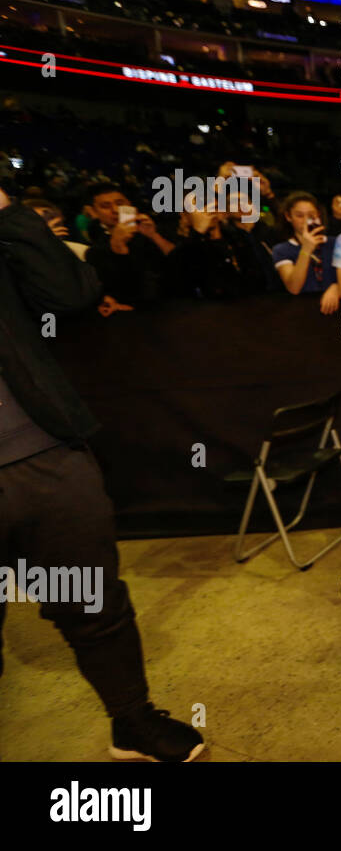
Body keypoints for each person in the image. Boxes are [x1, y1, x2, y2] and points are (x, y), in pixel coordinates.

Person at [0, 186, 205, 761]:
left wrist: (5, 210)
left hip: (43, 455)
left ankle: (132, 721)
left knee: (92, 603)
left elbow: (71, 294)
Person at [272, 191, 341, 314]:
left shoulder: (335, 243)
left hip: (338, 307)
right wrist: (306, 249)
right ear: (288, 217)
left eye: (311, 215)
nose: (306, 220)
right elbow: (294, 288)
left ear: (318, 215)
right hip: (302, 310)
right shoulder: (282, 250)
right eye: (299, 215)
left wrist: (336, 287)